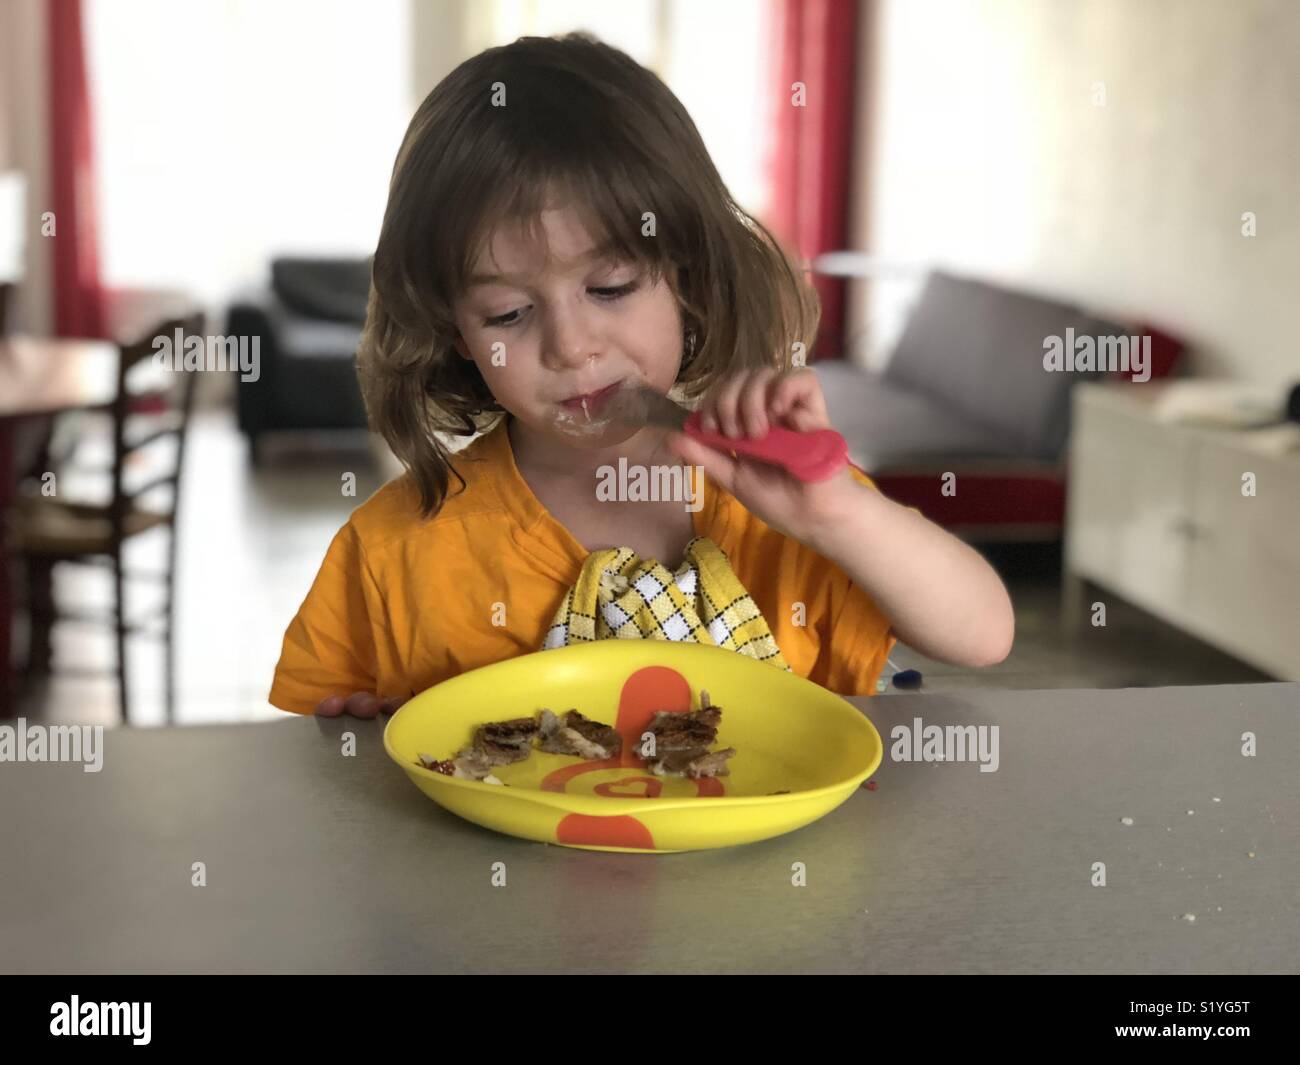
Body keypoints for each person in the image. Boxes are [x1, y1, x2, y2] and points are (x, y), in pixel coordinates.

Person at [269, 34, 1013, 718]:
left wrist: (839, 517)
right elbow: (323, 773)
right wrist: (365, 743)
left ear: (686, 277)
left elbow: (983, 636)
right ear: (454, 332)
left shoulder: (780, 500)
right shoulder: (396, 548)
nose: (571, 346)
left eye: (612, 287)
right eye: (506, 313)